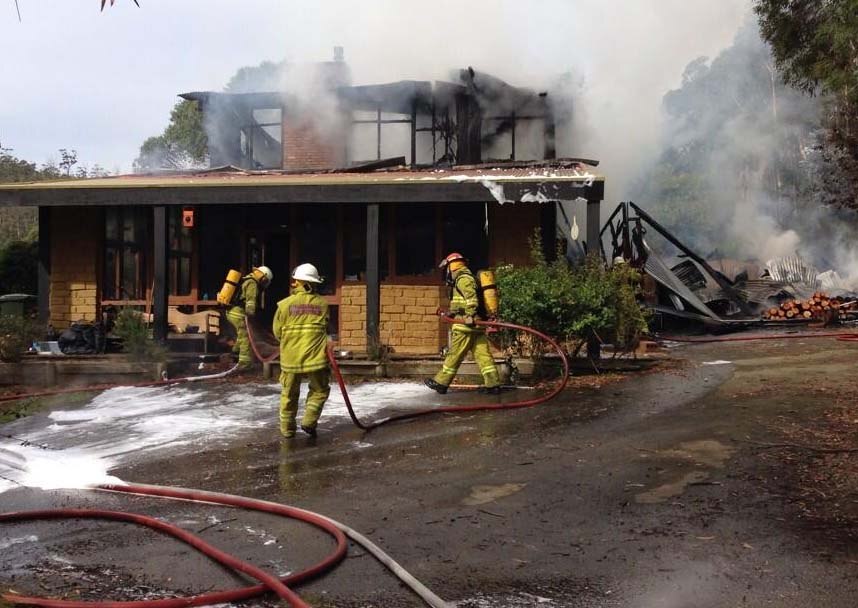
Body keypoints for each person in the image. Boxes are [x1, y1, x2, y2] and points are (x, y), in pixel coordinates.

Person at [425, 252, 501, 395]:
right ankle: (493, 384)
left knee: (455, 354)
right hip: (476, 326)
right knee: (483, 356)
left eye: (447, 268)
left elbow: (471, 300)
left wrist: (469, 315)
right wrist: (451, 312)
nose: (446, 272)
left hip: (466, 326)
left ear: (452, 266)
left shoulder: (463, 279)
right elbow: (461, 302)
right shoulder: (462, 279)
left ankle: (441, 382)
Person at [273, 263, 330, 438]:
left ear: (297, 282)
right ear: (314, 283)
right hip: (316, 359)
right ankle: (309, 421)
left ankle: (288, 430)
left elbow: (277, 332)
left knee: (289, 394)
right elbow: (325, 327)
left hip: (290, 359)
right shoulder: (323, 304)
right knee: (320, 390)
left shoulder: (284, 305)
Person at [225, 266, 273, 371]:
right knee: (245, 337)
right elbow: (250, 301)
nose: (264, 284)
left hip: (232, 311)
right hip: (238, 313)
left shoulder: (246, 280)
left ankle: (235, 351)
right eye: (265, 281)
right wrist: (250, 315)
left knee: (241, 334)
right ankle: (244, 363)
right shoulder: (253, 283)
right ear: (263, 277)